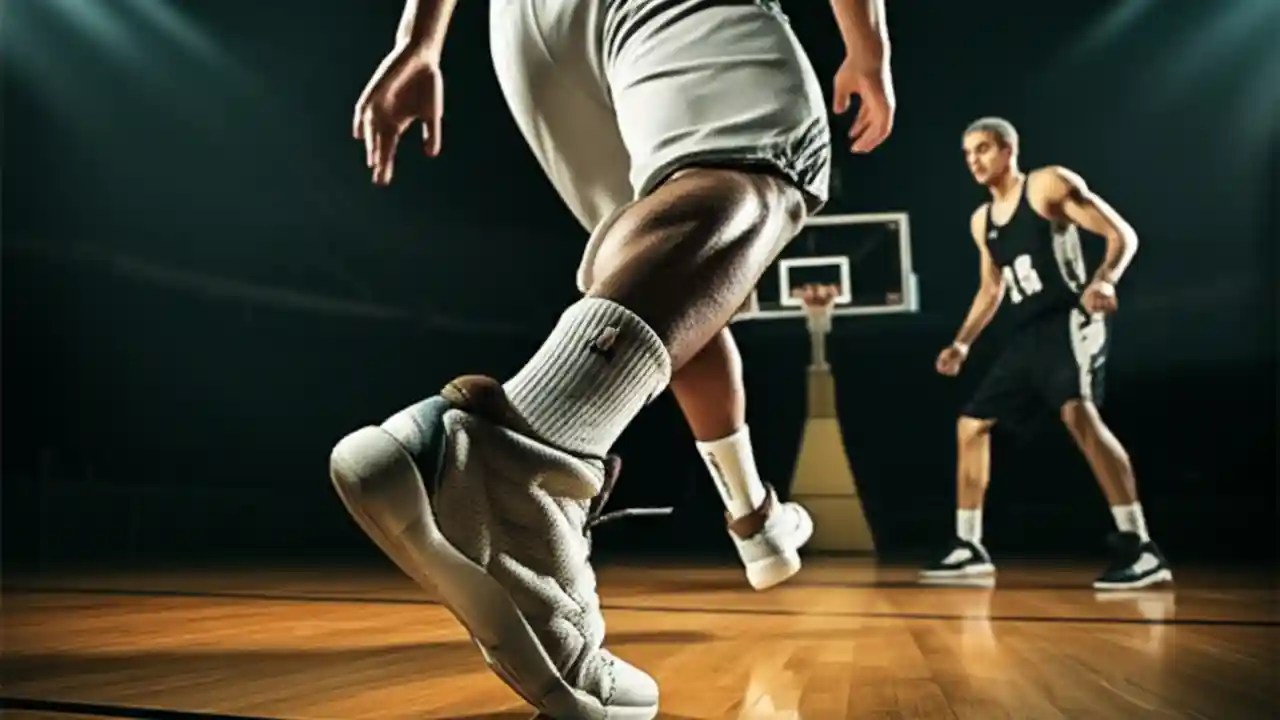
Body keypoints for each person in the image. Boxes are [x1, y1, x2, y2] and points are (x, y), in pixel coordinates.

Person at [329, 1, 896, 717]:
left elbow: (675, 313)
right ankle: (515, 462)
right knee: (767, 171)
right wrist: (866, 45)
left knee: (658, 272)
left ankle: (753, 516)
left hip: (526, 32)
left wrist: (418, 40)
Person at [920, 117, 1172, 591]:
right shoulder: (982, 221)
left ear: (1009, 149)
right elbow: (991, 288)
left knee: (1079, 416)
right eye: (968, 153)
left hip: (1069, 320)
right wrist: (962, 342)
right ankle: (969, 545)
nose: (975, 160)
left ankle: (1141, 547)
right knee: (971, 426)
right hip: (1025, 336)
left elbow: (1122, 234)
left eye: (984, 149)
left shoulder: (1046, 186)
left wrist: (1104, 279)